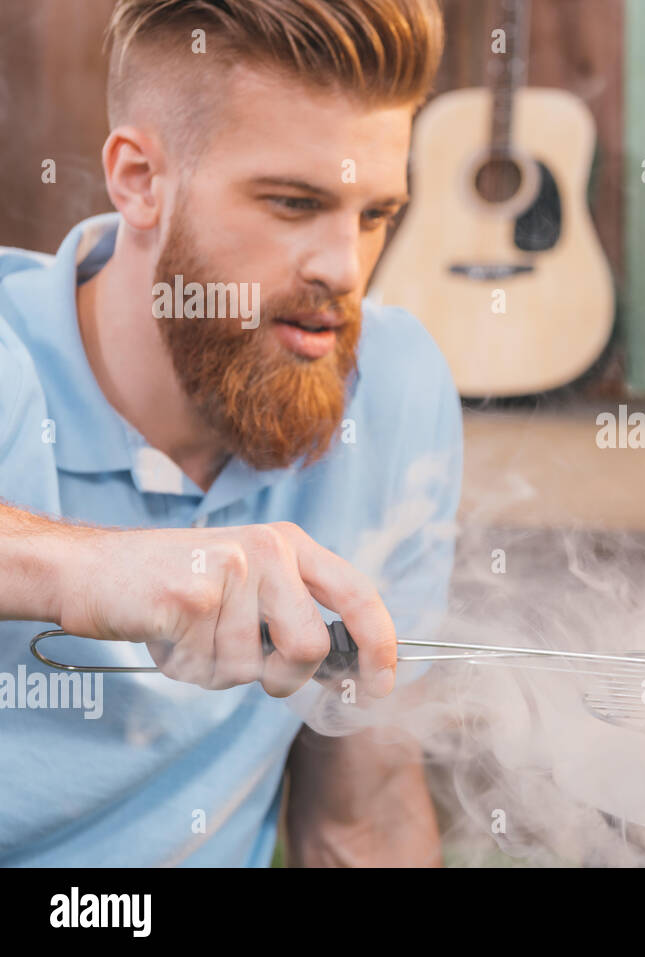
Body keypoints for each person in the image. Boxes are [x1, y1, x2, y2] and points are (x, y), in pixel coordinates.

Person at [0, 0, 460, 865]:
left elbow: (359, 817)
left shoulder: (390, 385)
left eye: (374, 215)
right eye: (294, 203)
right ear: (139, 179)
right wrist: (90, 563)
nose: (344, 268)